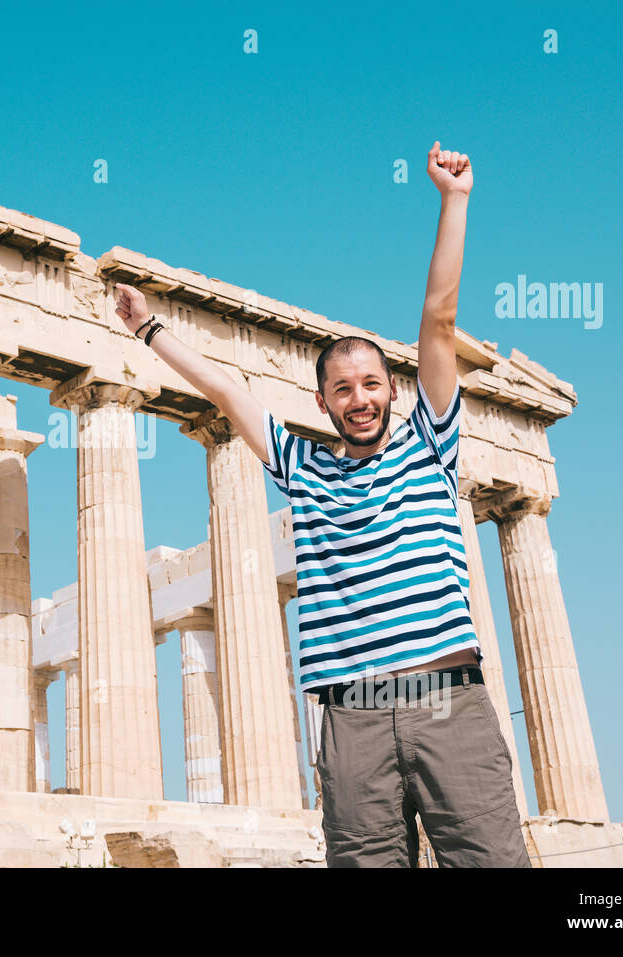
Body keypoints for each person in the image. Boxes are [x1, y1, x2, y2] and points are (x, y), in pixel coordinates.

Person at [111, 142, 530, 867]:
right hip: (351, 715)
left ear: (393, 390)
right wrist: (149, 328)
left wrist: (453, 202)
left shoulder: (430, 444)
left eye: (372, 384)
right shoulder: (301, 468)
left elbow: (438, 317)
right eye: (343, 389)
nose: (360, 398)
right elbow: (227, 392)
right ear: (323, 401)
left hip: (446, 699)